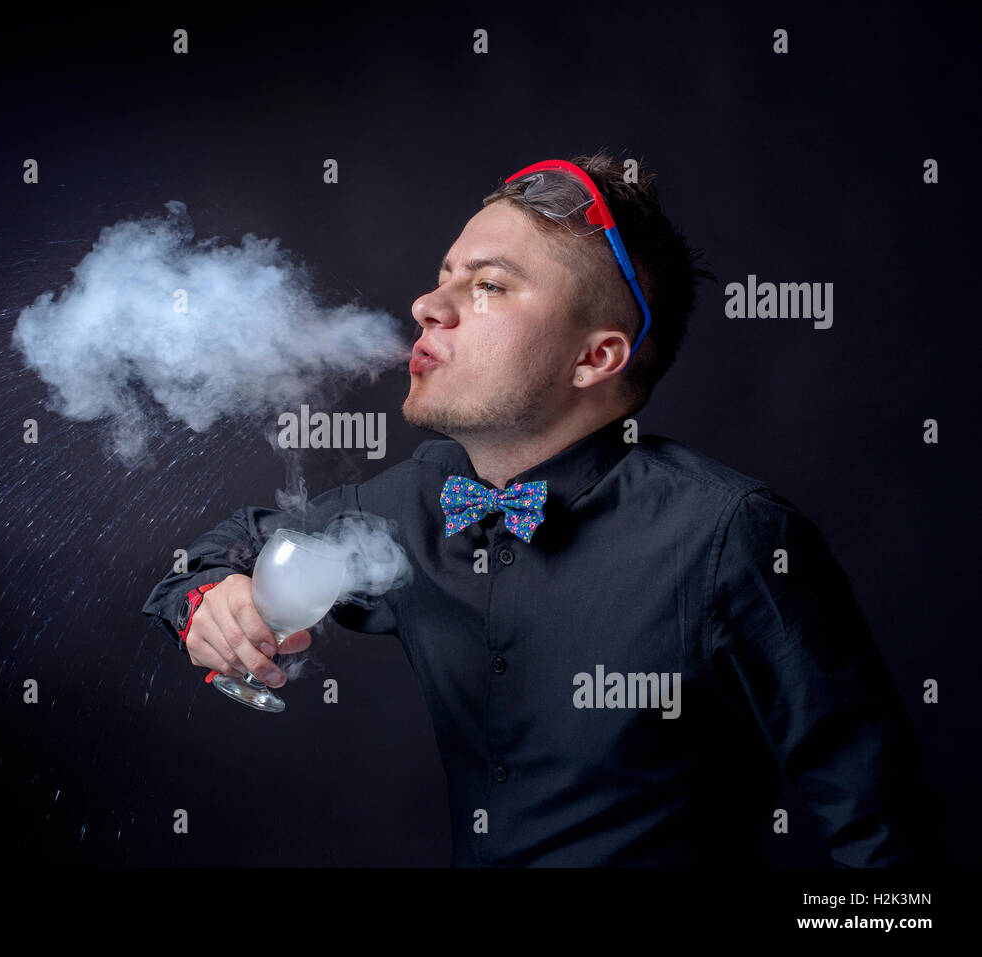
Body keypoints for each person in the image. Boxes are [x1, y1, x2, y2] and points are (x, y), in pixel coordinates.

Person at [142, 150, 938, 866]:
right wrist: (207, 602)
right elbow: (219, 554)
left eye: (487, 285)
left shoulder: (735, 537)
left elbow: (887, 839)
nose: (427, 303)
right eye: (444, 274)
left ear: (596, 357)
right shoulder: (412, 501)